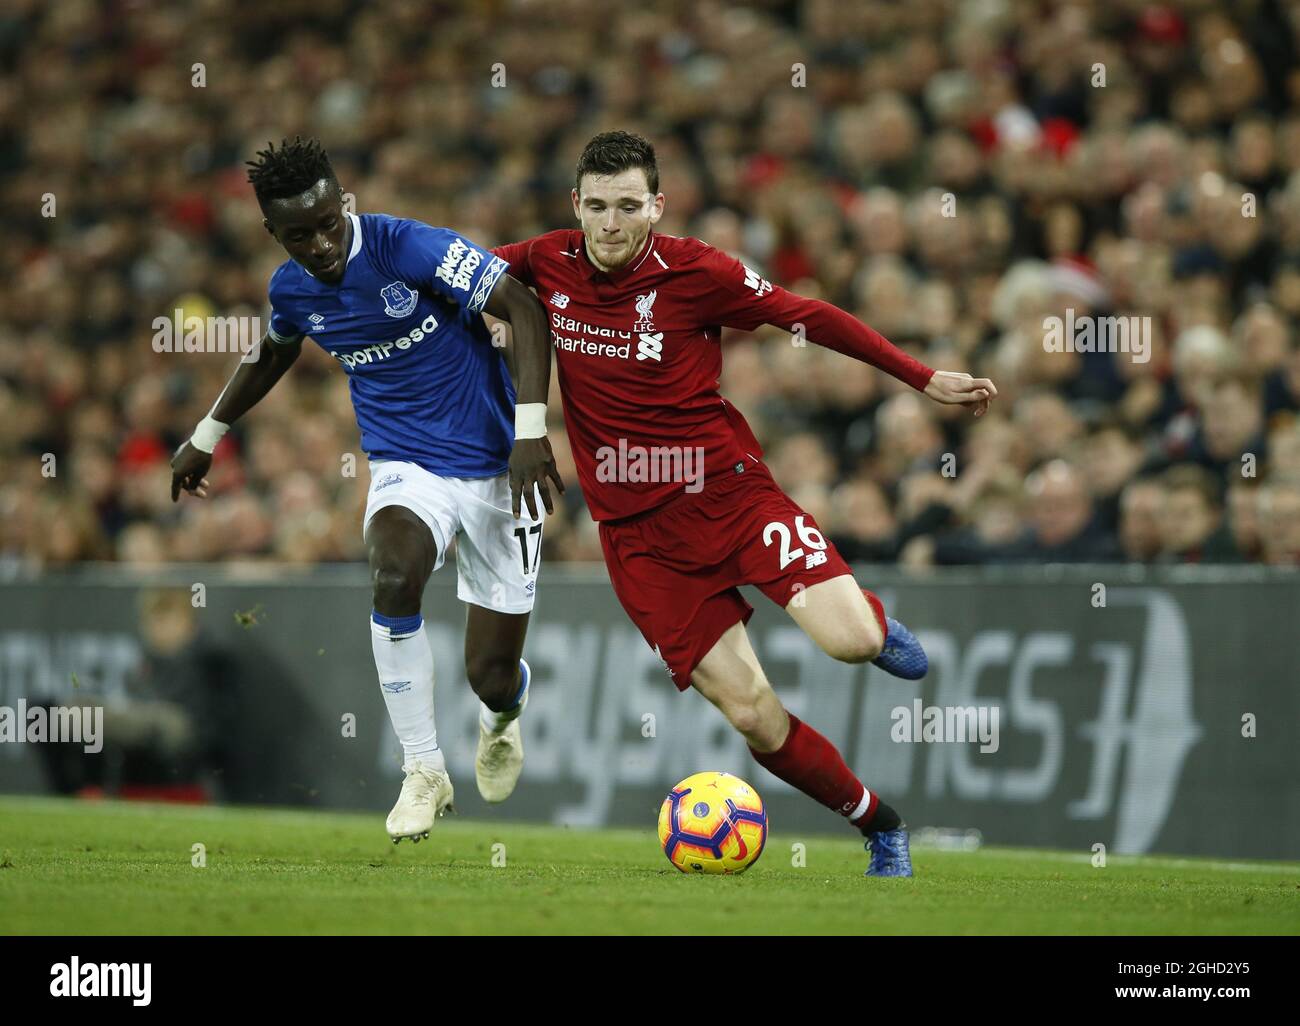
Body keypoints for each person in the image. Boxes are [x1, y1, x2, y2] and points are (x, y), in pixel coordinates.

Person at [493, 131, 998, 877]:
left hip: (728, 494)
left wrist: (922, 378)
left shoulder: (700, 271)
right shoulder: (544, 259)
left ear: (656, 206)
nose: (610, 224)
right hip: (638, 539)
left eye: (628, 206)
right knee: (753, 714)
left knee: (851, 643)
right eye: (596, 207)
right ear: (576, 204)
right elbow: (443, 273)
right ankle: (882, 827)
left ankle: (874, 622)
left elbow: (810, 316)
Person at [170, 139, 563, 843]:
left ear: (341, 202)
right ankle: (423, 770)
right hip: (406, 465)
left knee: (491, 676)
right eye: (299, 235)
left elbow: (525, 308)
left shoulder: (407, 248)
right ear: (272, 234)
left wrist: (531, 431)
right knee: (390, 574)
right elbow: (275, 349)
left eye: (327, 222)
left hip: (499, 467)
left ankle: (504, 714)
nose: (320, 244)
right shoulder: (291, 289)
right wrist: (206, 433)